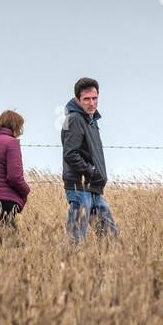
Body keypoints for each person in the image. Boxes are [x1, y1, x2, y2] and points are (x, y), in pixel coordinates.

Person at [61, 77, 118, 242]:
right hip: (80, 188)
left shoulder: (90, 120)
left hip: (93, 188)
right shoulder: (75, 119)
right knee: (75, 236)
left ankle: (107, 267)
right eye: (86, 99)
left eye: (94, 98)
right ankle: (61, 265)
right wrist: (91, 171)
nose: (91, 103)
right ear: (77, 99)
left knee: (109, 235)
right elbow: (70, 154)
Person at [0, 110, 31, 238]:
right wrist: (26, 190)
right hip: (6, 201)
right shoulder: (12, 143)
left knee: (1, 241)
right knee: (14, 244)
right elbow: (14, 177)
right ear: (16, 126)